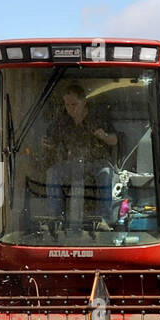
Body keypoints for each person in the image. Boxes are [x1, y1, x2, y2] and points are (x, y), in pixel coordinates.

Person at [42, 85, 118, 228]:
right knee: (53, 172)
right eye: (67, 104)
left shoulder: (97, 118)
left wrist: (104, 136)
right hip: (72, 163)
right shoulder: (62, 121)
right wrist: (46, 143)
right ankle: (54, 219)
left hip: (95, 162)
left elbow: (115, 140)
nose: (70, 108)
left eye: (74, 104)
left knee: (106, 172)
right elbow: (51, 141)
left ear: (83, 102)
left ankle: (103, 219)